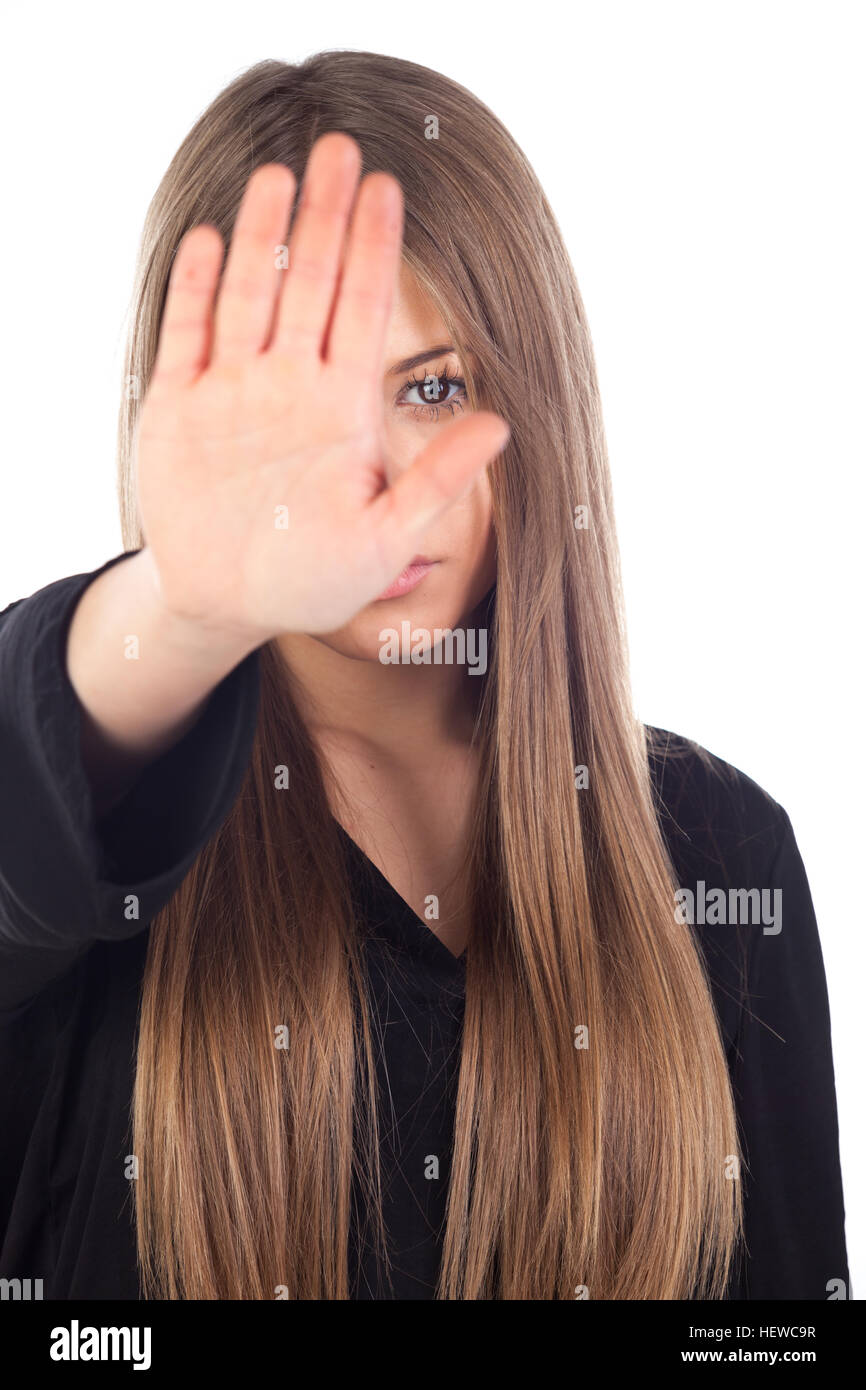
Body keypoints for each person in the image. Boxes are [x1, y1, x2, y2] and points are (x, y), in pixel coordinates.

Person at [0, 52, 848, 1300]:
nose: (382, 482)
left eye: (434, 388)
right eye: (313, 416)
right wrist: (181, 595)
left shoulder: (721, 857)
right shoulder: (106, 863)